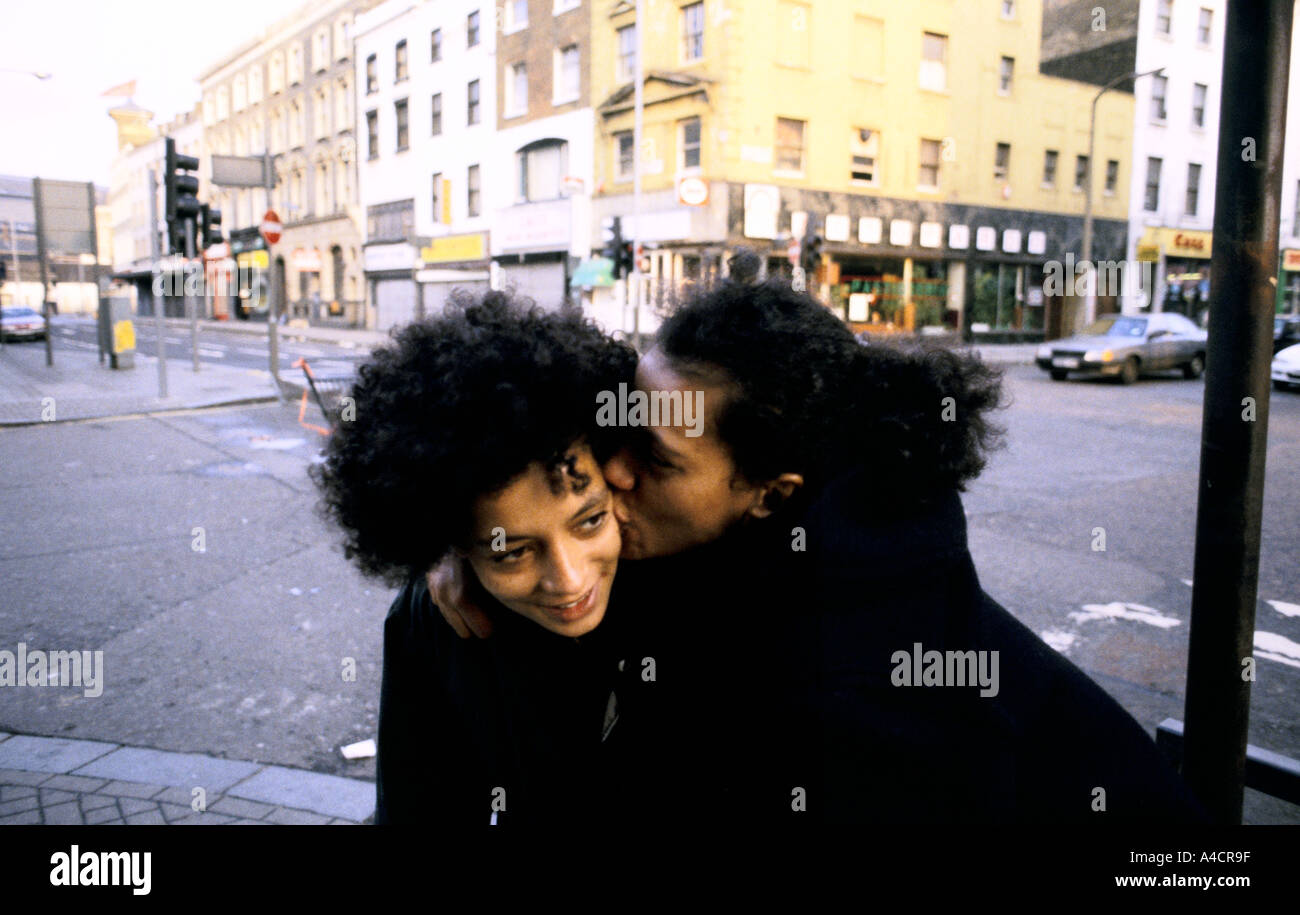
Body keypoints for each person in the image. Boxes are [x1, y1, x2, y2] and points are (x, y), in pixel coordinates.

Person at [435, 279, 1207, 824]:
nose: (613, 470)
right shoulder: (759, 540)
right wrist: (472, 539)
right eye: (621, 428)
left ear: (769, 492)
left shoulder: (847, 691)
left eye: (657, 459)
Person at [311, 289, 639, 824]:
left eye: (590, 521)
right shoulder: (434, 622)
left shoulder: (694, 583)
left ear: (622, 477)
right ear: (453, 542)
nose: (569, 579)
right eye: (512, 551)